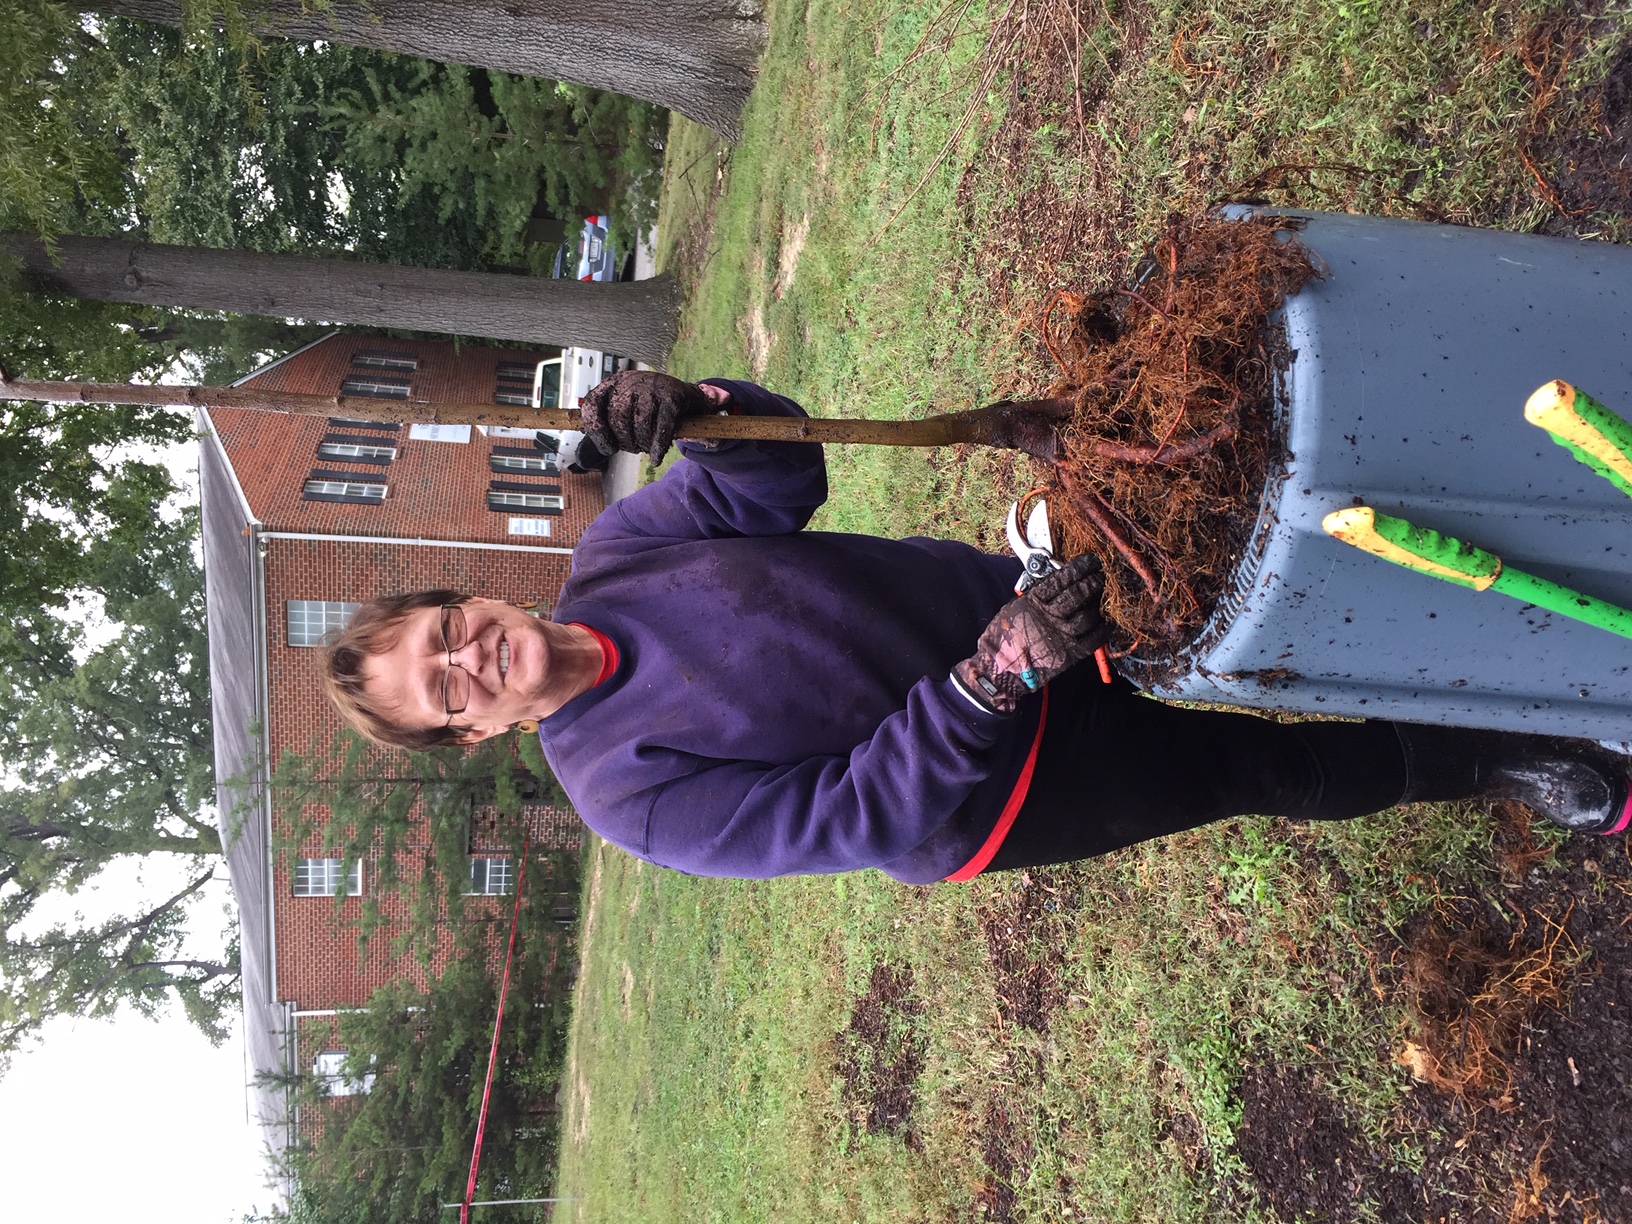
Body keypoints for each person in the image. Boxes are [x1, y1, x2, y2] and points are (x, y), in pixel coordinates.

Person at [321, 373, 1632, 882]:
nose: (463, 656)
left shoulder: (619, 555)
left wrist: (702, 405)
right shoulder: (628, 797)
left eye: (444, 628)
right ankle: (1519, 764)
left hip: (1020, 604)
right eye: (445, 688)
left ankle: (1494, 638)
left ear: (468, 597)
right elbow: (848, 817)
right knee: (1258, 765)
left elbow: (780, 478)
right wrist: (988, 684)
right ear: (476, 731)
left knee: (1245, 603)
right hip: (998, 788)